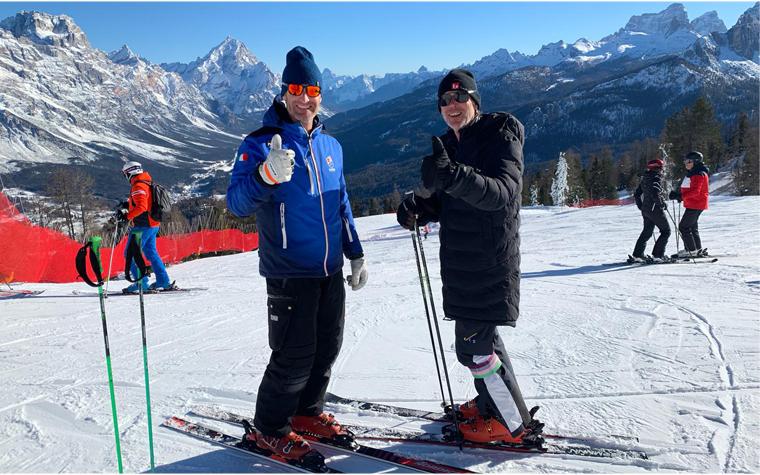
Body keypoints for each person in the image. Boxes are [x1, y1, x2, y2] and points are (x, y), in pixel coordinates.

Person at [226, 46, 367, 464]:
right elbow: (236, 203)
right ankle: (269, 429)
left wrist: (355, 253)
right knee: (293, 355)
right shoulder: (258, 143)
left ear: (321, 93)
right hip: (289, 271)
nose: (305, 98)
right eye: (297, 88)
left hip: (329, 269)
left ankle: (305, 413)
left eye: (313, 89)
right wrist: (265, 175)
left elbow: (340, 204)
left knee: (327, 348)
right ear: (284, 91)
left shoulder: (332, 146)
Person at [396, 69, 542, 446]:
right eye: (445, 100)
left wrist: (453, 175)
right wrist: (420, 209)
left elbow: (501, 193)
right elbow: (449, 200)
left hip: (489, 261)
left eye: (460, 98)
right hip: (461, 263)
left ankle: (512, 427)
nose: (452, 106)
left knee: (474, 347)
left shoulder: (500, 136)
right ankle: (493, 404)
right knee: (482, 344)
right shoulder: (451, 143)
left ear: (475, 101)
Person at [117, 161, 172, 292]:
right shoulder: (147, 182)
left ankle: (141, 283)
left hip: (142, 226)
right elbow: (145, 202)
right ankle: (163, 281)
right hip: (152, 224)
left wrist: (127, 216)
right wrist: (128, 205)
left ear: (130, 173)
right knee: (151, 253)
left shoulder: (138, 186)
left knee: (130, 254)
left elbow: (142, 207)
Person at [669, 151, 709, 257]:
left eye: (688, 161)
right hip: (693, 203)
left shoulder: (698, 174)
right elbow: (690, 189)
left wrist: (680, 196)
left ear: (695, 162)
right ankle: (697, 248)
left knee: (684, 227)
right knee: (691, 227)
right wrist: (679, 195)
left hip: (696, 203)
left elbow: (696, 191)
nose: (685, 163)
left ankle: (691, 250)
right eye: (684, 161)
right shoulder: (694, 172)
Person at [630, 159, 671, 263]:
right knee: (666, 231)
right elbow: (655, 194)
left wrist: (641, 205)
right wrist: (661, 204)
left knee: (647, 232)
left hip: (646, 210)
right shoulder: (656, 179)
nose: (663, 170)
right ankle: (658, 255)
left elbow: (637, 194)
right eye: (662, 168)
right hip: (655, 210)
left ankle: (637, 255)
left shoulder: (645, 179)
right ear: (656, 169)